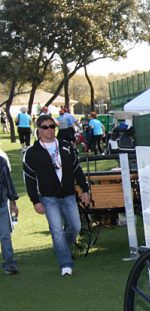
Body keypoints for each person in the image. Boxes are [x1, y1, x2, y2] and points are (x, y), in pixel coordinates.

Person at [22, 114, 91, 276]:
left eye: (52, 126)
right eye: (45, 127)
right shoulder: (32, 152)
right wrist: (35, 201)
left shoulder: (65, 146)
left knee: (75, 227)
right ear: (38, 130)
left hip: (68, 195)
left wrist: (85, 189)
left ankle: (60, 247)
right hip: (48, 197)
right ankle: (65, 264)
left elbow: (77, 170)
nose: (49, 130)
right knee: (56, 230)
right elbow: (29, 179)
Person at [0, 142, 19, 275]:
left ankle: (9, 263)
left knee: (5, 235)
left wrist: (13, 201)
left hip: (1, 203)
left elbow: (8, 181)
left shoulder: (1, 161)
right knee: (5, 235)